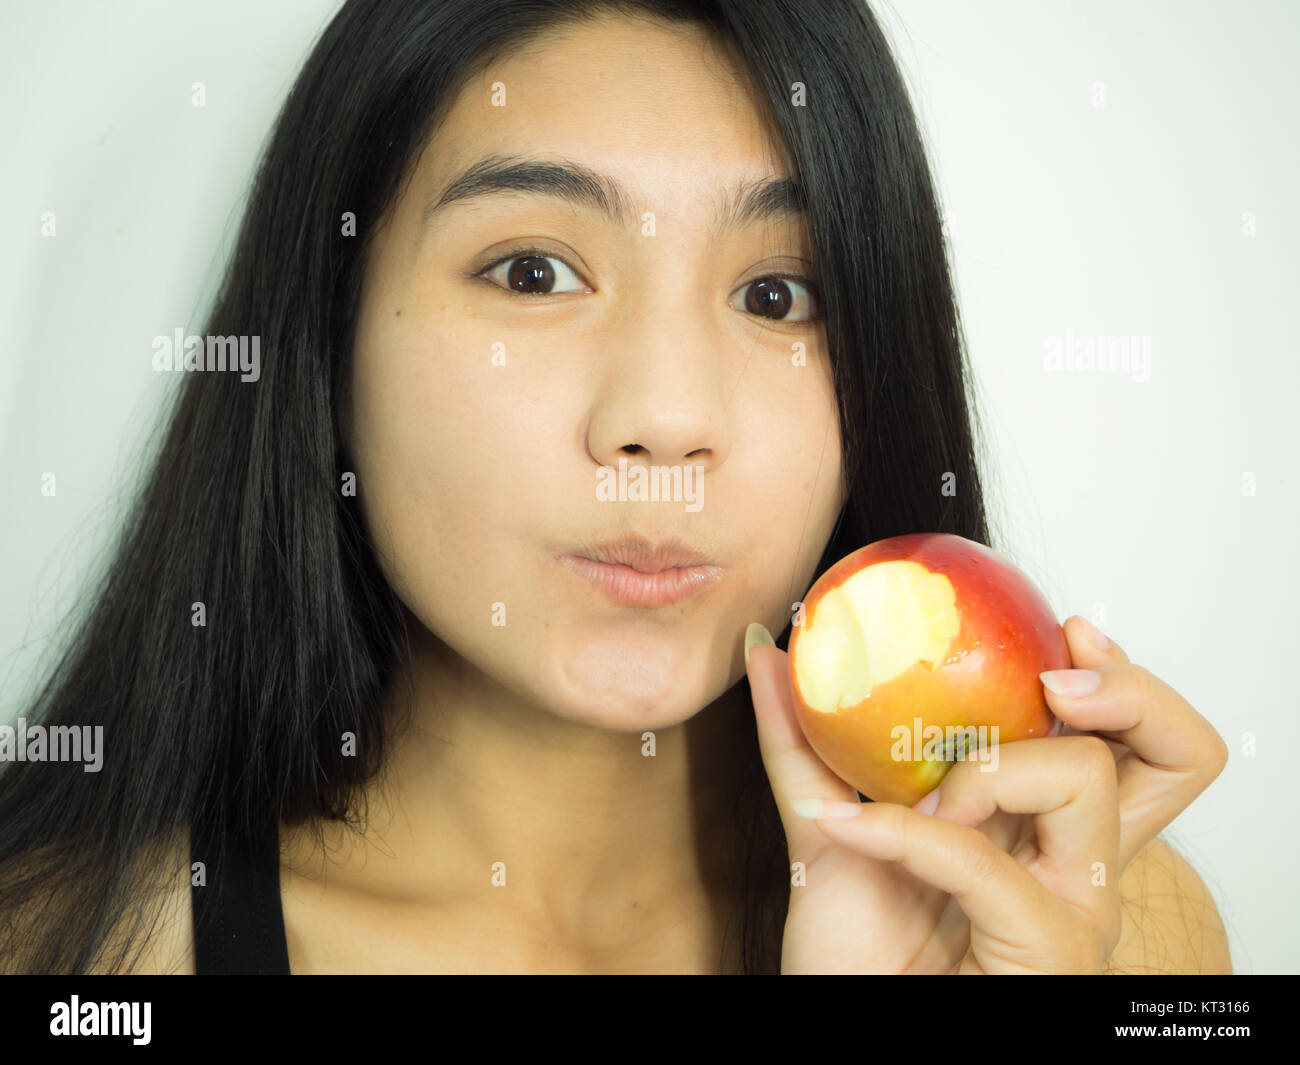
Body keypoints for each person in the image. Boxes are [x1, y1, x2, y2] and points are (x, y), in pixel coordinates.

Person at [0, 0, 1230, 974]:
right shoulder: (64, 948)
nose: (663, 419)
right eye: (532, 272)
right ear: (328, 338)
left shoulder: (1103, 933)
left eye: (777, 296)